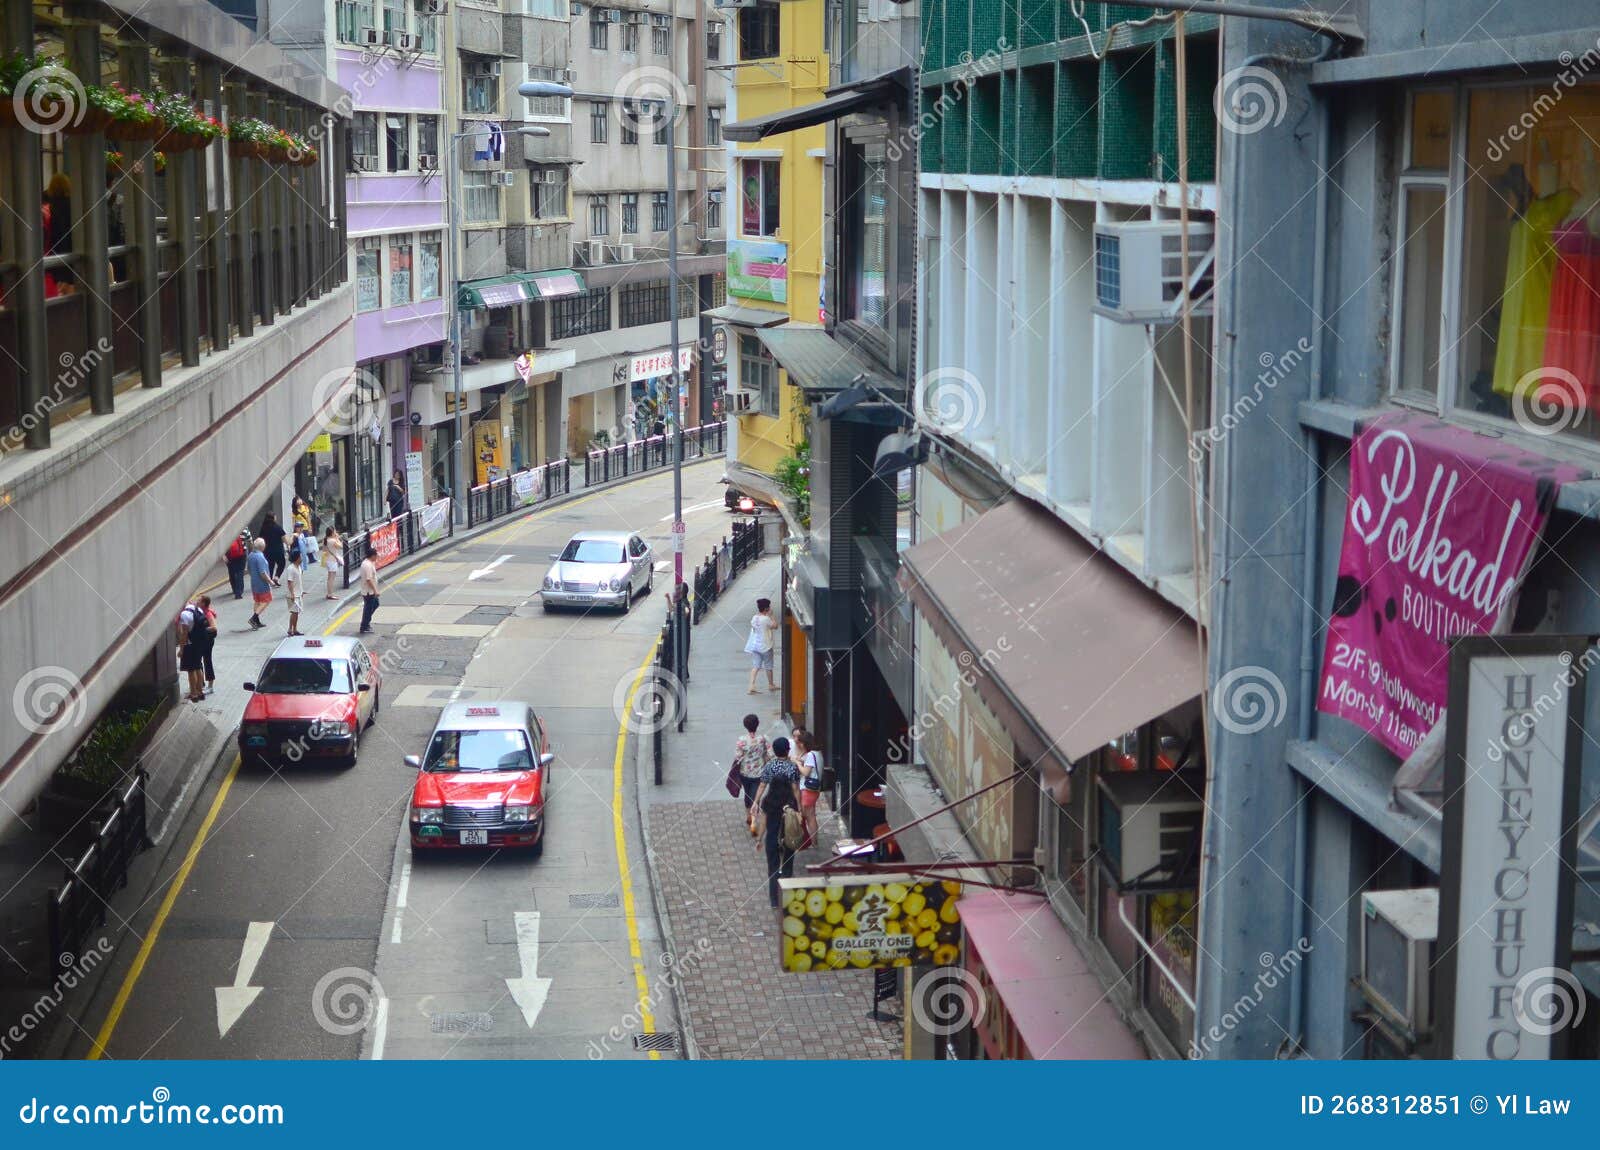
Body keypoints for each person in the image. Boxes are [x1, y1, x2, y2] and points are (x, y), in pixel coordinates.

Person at [752, 736, 801, 908]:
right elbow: (796, 789)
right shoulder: (792, 768)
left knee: (773, 867)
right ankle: (787, 897)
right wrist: (799, 808)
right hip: (787, 835)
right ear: (788, 750)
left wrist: (759, 839)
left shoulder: (769, 769)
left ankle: (774, 900)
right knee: (787, 865)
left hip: (772, 838)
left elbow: (762, 786)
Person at [732, 713, 770, 823]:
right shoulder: (763, 738)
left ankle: (748, 814)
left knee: (747, 793)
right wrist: (763, 758)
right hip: (759, 772)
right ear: (757, 725)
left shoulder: (741, 740)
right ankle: (753, 819)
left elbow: (737, 756)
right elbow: (771, 754)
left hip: (744, 772)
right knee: (755, 796)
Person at [793, 728, 824, 848]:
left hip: (808, 790)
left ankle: (813, 841)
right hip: (814, 790)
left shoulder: (811, 755)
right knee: (810, 815)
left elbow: (806, 772)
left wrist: (798, 763)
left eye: (800, 742)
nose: (799, 744)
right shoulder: (817, 753)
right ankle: (812, 840)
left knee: (809, 816)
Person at [744, 597, 777, 695]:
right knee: (768, 666)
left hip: (755, 646)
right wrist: (772, 616)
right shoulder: (766, 619)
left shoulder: (754, 618)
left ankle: (751, 685)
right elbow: (775, 626)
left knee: (756, 666)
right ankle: (771, 684)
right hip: (766, 645)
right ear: (766, 608)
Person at [176, 599, 206, 703]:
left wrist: (181, 649)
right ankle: (200, 692)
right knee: (198, 667)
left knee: (191, 670)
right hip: (199, 644)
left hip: (189, 645)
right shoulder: (199, 611)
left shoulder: (185, 614)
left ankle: (193, 694)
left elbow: (184, 633)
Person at [192, 595, 218, 696]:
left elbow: (214, 627)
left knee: (207, 661)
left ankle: (210, 686)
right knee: (198, 661)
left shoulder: (207, 613)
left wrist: (201, 630)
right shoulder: (200, 611)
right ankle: (200, 684)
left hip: (207, 641)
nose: (196, 601)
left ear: (203, 603)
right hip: (201, 641)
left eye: (199, 600)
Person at [246, 538, 273, 630]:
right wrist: (270, 581)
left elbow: (248, 569)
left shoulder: (250, 555)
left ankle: (256, 621)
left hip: (254, 582)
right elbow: (263, 573)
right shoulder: (260, 557)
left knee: (257, 601)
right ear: (262, 546)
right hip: (262, 583)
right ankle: (254, 618)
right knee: (266, 600)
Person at [282, 547, 305, 636]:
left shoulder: (298, 567)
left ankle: (294, 629)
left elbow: (298, 581)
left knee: (296, 613)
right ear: (297, 558)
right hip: (292, 595)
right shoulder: (291, 569)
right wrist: (292, 594)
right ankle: (290, 629)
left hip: (298, 593)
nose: (302, 558)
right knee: (294, 612)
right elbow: (290, 582)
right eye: (300, 556)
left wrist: (302, 591)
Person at [359, 543, 381, 634]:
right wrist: (375, 590)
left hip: (370, 591)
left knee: (375, 604)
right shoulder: (367, 565)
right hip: (369, 592)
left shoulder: (368, 562)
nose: (377, 557)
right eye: (376, 555)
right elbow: (369, 579)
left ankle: (366, 622)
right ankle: (364, 626)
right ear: (372, 556)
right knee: (368, 609)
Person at [260, 511, 287, 582]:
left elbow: (260, 539)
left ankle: (270, 580)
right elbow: (285, 540)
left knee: (270, 566)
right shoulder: (278, 527)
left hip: (267, 551)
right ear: (273, 518)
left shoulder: (263, 528)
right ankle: (277, 577)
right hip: (278, 550)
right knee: (282, 563)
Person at [223, 530, 249, 600]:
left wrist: (223, 555)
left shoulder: (226, 530)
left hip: (229, 555)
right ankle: (239, 592)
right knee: (240, 572)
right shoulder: (244, 530)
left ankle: (234, 589)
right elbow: (250, 540)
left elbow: (221, 543)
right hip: (241, 554)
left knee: (232, 572)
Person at [323, 526, 344, 600]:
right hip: (332, 561)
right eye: (335, 531)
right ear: (332, 532)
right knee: (331, 578)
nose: (336, 532)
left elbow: (324, 550)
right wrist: (337, 538)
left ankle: (329, 593)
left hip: (328, 560)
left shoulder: (326, 540)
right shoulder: (333, 540)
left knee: (329, 578)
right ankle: (330, 594)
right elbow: (341, 546)